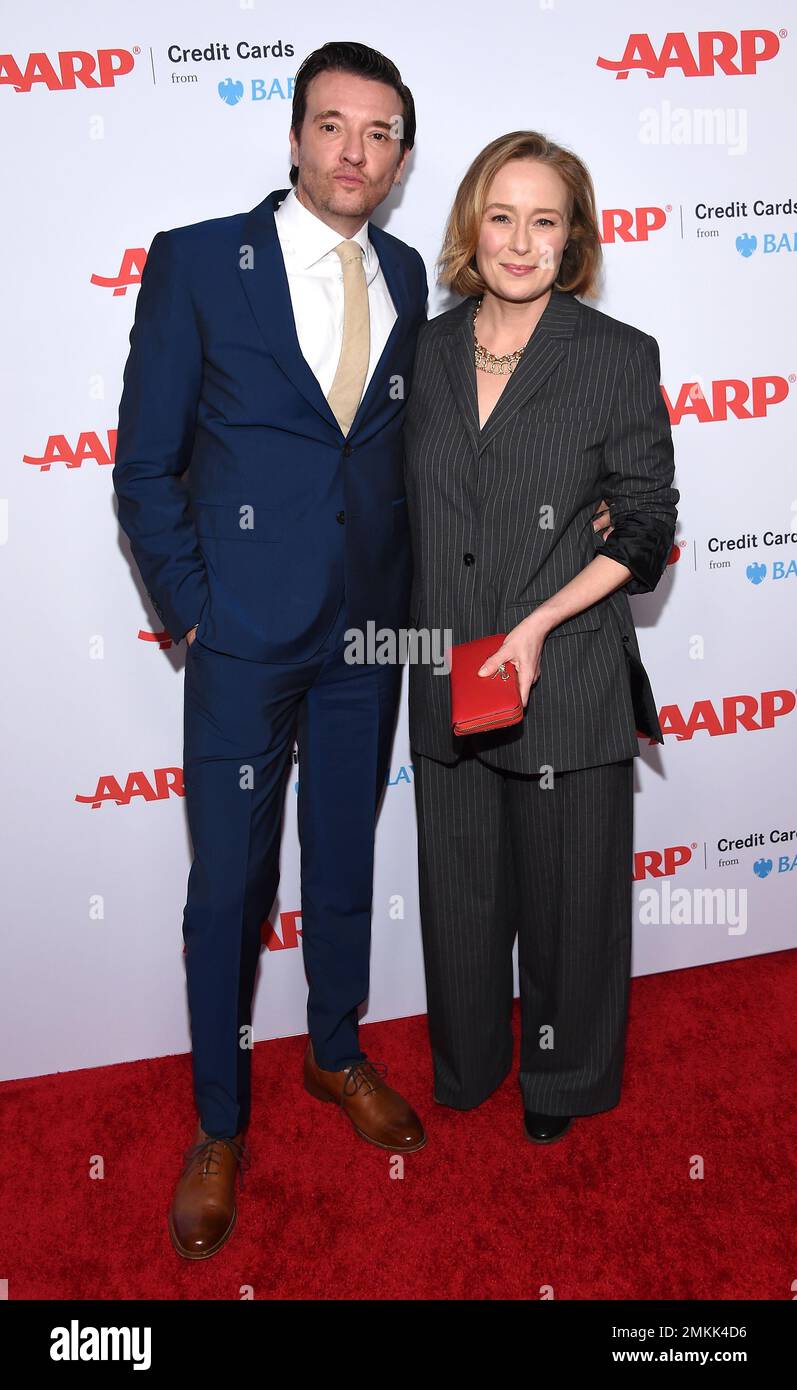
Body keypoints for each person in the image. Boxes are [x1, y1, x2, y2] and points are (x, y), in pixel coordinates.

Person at [112, 41, 429, 1261]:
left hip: (368, 632)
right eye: (334, 126)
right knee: (228, 890)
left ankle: (336, 1053)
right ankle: (216, 1121)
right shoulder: (197, 261)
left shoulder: (404, 272)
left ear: (400, 156)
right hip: (242, 640)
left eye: (380, 132)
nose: (355, 152)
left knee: (343, 852)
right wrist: (193, 613)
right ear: (294, 137)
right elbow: (146, 465)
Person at [403, 130, 679, 1143]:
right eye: (502, 215)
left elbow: (645, 520)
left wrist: (540, 621)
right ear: (472, 224)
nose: (519, 241)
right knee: (461, 894)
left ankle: (559, 1083)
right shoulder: (421, 352)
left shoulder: (614, 357)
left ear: (573, 244)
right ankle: (469, 1066)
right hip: (446, 673)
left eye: (545, 220)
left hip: (561, 670)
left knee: (570, 904)